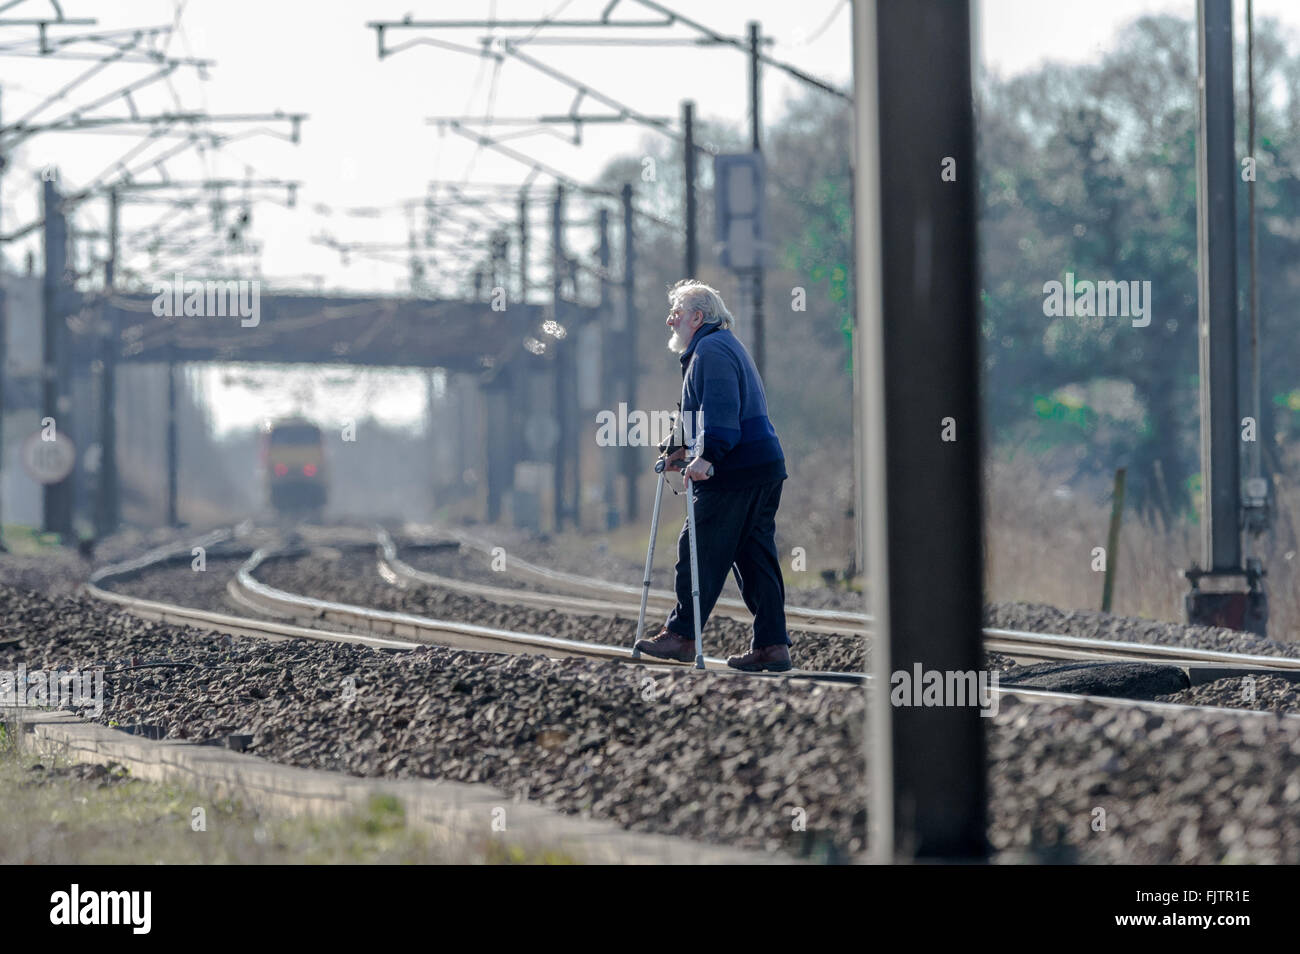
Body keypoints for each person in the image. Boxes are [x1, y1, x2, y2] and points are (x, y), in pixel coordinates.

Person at [633, 279, 793, 672]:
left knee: (697, 548)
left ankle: (684, 636)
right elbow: (697, 416)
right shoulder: (714, 347)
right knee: (756, 560)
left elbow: (722, 412)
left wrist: (707, 457)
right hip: (762, 467)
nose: (670, 321)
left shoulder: (711, 350)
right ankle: (773, 646)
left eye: (676, 314)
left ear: (697, 317)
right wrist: (677, 449)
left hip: (735, 471)